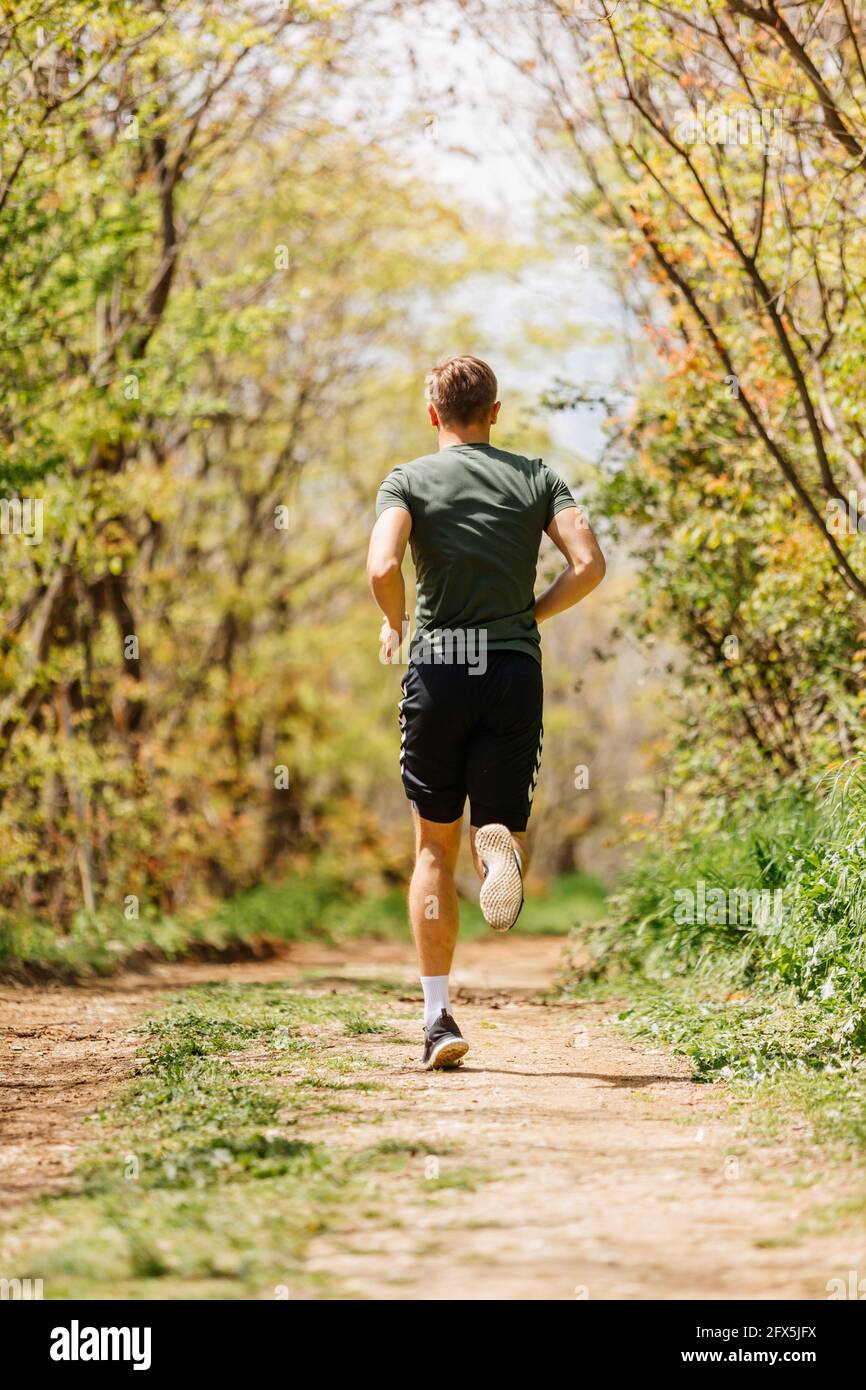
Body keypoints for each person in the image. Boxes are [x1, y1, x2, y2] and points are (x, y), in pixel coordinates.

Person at [367, 355, 606, 1069]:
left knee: (431, 849)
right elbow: (589, 562)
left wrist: (395, 620)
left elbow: (382, 567)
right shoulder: (539, 476)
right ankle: (495, 837)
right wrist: (529, 614)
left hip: (441, 668)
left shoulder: (406, 479)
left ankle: (438, 1018)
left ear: (433, 414)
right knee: (499, 823)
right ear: (495, 412)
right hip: (511, 669)